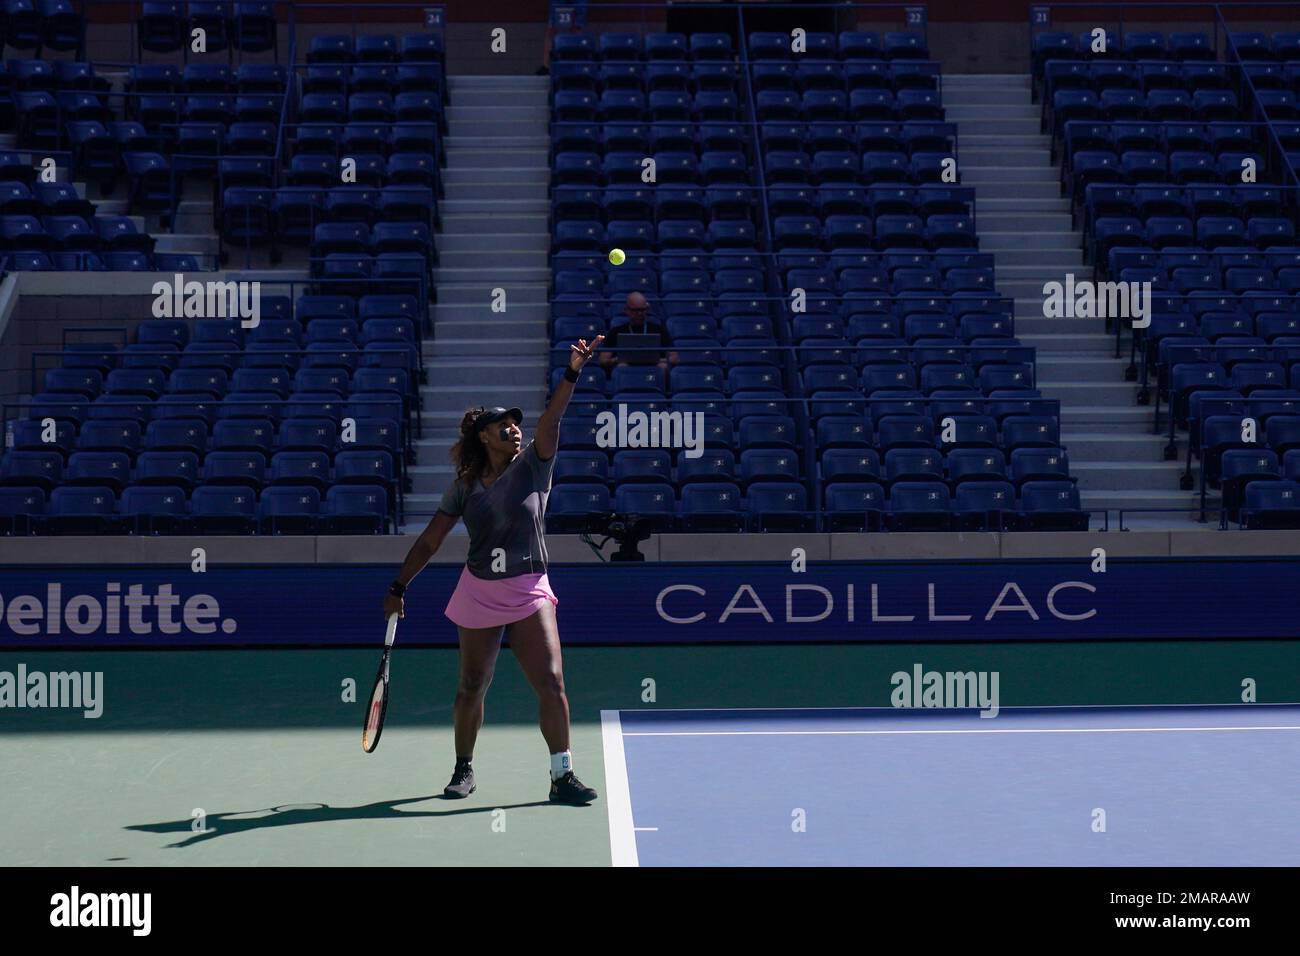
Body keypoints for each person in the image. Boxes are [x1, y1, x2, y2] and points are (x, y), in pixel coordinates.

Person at [383, 336, 605, 806]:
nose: (514, 429)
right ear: (482, 436)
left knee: (551, 681)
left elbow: (552, 419)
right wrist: (399, 585)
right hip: (479, 589)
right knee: (471, 684)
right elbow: (430, 540)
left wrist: (572, 372)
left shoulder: (534, 466)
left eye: (515, 424)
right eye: (503, 425)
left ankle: (561, 775)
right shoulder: (463, 487)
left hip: (528, 586)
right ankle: (464, 769)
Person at [599, 291, 679, 371]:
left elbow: (675, 357)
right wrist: (617, 360)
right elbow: (603, 359)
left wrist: (659, 360)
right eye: (635, 310)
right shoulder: (616, 331)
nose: (640, 313)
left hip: (653, 367)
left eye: (643, 310)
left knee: (662, 367)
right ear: (626, 310)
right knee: (622, 367)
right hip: (627, 368)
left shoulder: (659, 330)